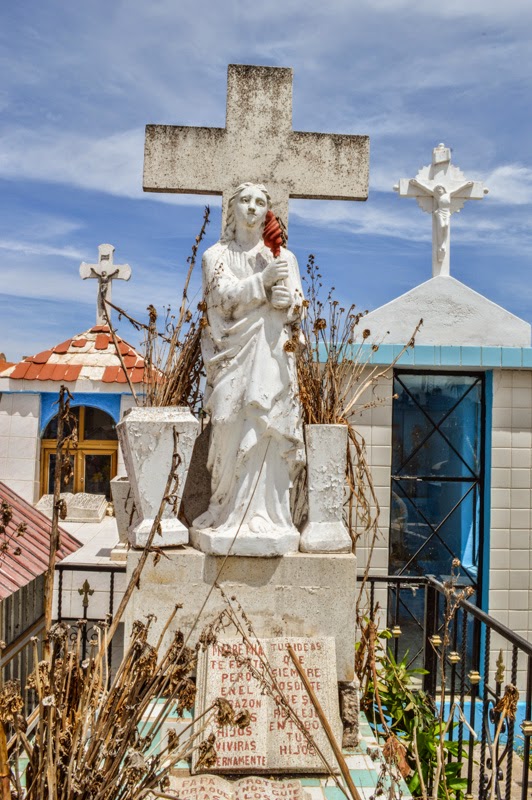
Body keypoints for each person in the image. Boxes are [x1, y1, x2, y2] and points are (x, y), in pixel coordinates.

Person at [193, 182, 305, 540]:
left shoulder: (284, 257)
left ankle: (266, 514)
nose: (253, 208)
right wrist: (263, 281)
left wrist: (287, 302)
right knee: (226, 422)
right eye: (245, 201)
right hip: (230, 354)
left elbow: (299, 307)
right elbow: (222, 297)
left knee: (266, 426)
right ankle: (223, 507)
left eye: (260, 202)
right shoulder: (216, 255)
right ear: (232, 210)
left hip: (270, 353)